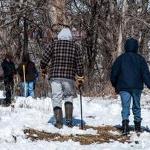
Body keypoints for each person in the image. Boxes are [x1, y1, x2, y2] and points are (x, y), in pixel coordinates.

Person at [40, 27, 84, 129]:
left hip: (55, 76)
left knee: (56, 97)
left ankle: (59, 122)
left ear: (59, 35)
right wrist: (80, 77)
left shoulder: (53, 45)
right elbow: (79, 64)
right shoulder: (75, 47)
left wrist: (43, 67)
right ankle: (68, 121)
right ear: (70, 36)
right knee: (68, 96)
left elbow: (44, 59)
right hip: (69, 77)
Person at [110, 38, 150, 135]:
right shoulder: (140, 59)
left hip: (123, 87)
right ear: (136, 47)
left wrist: (115, 84)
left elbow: (114, 73)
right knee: (136, 106)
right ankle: (137, 126)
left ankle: (125, 126)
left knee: (125, 106)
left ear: (126, 46)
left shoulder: (120, 59)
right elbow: (145, 74)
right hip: (137, 87)